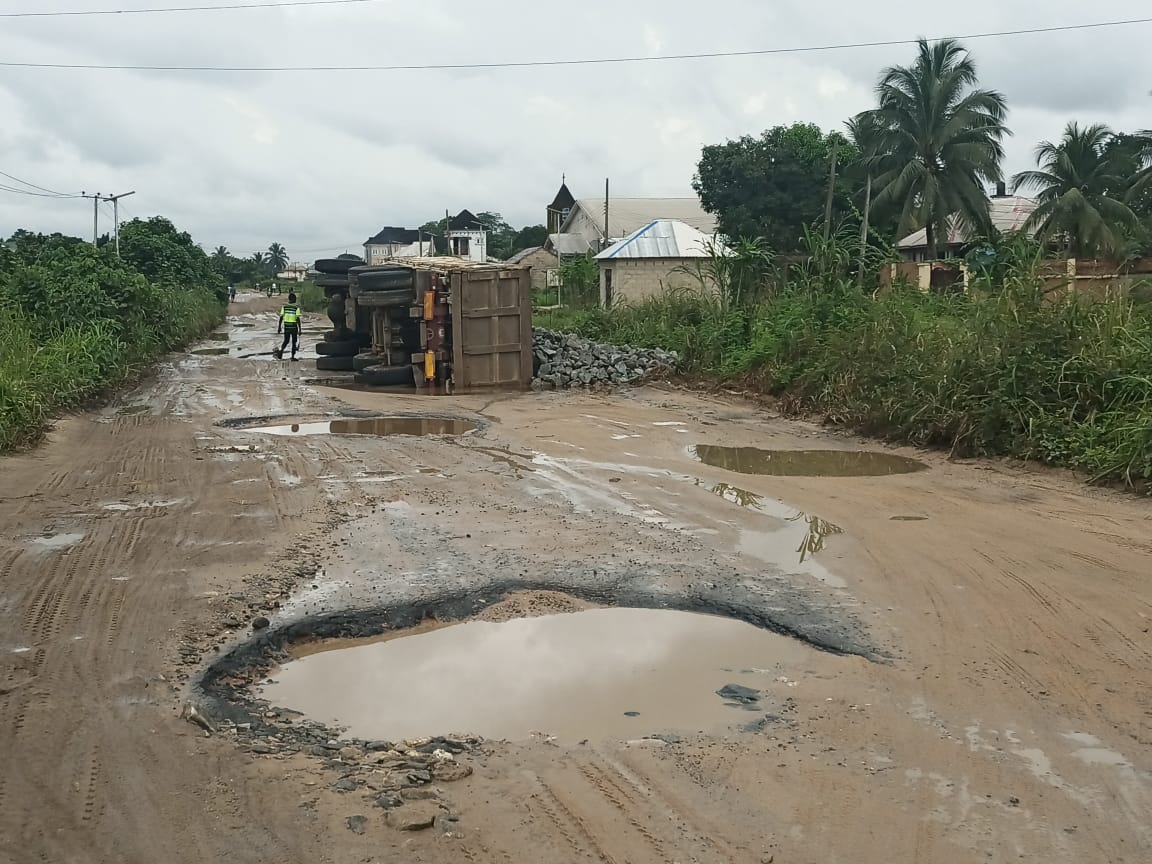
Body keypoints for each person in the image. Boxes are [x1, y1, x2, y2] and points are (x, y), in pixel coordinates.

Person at [275, 293, 302, 361]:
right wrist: (300, 329)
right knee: (294, 342)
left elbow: (281, 318)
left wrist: (279, 327)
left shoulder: (284, 307)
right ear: (294, 299)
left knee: (286, 341)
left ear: (289, 299)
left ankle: (281, 351)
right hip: (293, 327)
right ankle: (292, 356)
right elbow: (298, 319)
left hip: (286, 327)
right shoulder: (296, 308)